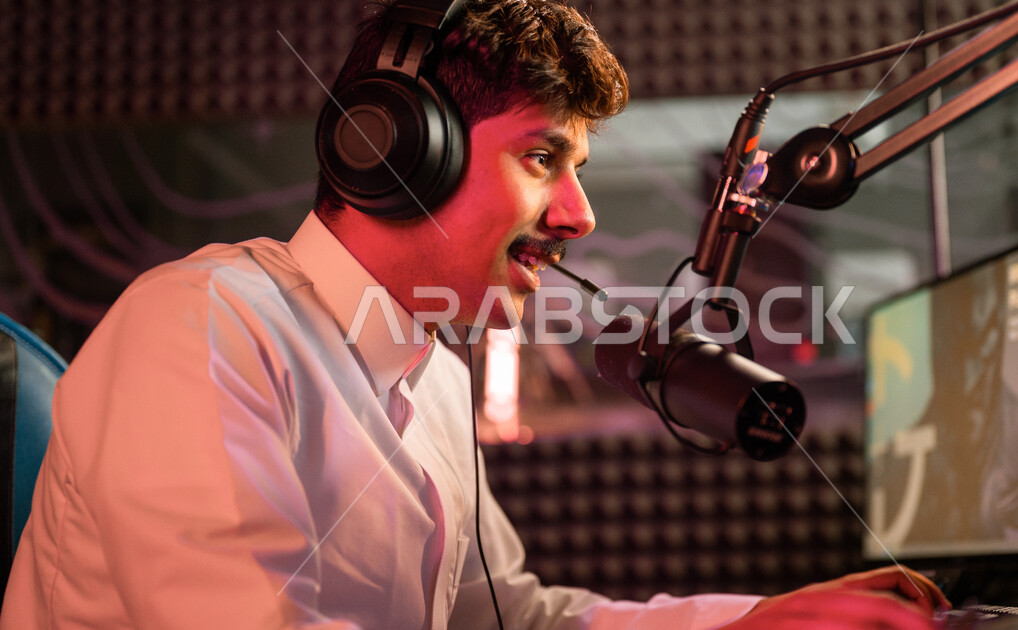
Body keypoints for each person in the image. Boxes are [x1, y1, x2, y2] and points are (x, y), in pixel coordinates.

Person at [0, 1, 947, 628]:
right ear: (401, 152)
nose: (581, 214)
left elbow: (512, 619)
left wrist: (750, 622)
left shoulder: (437, 378)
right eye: (544, 159)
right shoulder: (200, 329)